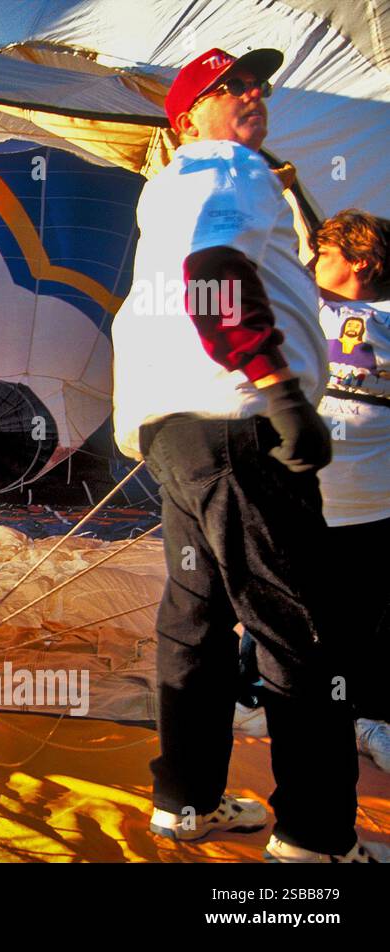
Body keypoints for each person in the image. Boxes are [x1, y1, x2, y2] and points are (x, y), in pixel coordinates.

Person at [111, 48, 375, 862]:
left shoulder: (166, 191)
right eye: (228, 88)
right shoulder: (232, 166)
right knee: (299, 632)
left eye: (256, 83)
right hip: (236, 423)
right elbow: (215, 277)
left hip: (173, 434)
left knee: (193, 620)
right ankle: (315, 837)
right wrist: (285, 396)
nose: (251, 95)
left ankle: (184, 800)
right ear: (187, 116)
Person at [239, 210, 390, 771]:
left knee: (365, 618)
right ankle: (249, 692)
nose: (311, 262)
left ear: (361, 261)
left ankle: (369, 716)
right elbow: (283, 242)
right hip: (302, 489)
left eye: (326, 254)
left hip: (375, 501)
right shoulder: (305, 305)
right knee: (281, 600)